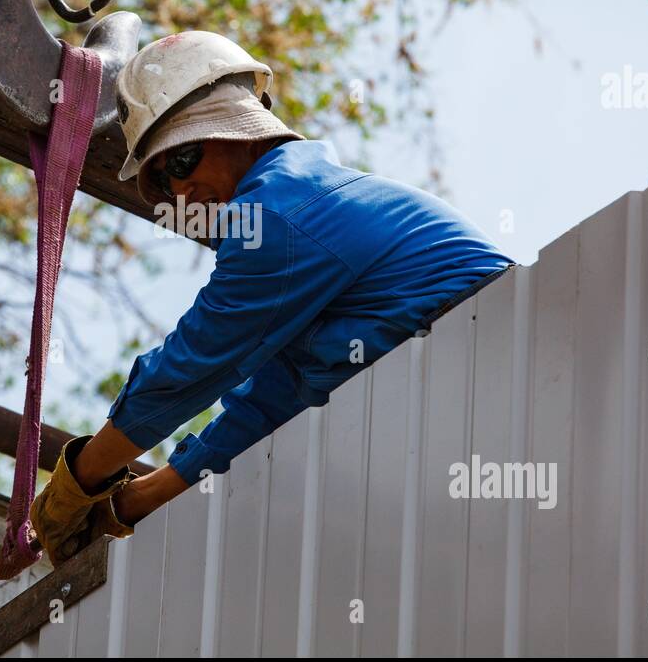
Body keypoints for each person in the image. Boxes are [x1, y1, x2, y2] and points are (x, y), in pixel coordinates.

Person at [30, 31, 515, 566]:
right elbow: (268, 404)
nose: (182, 192)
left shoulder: (281, 214)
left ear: (237, 127)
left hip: (498, 366)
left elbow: (193, 365)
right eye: (164, 182)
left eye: (184, 159)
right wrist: (134, 503)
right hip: (466, 404)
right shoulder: (299, 236)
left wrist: (80, 481)